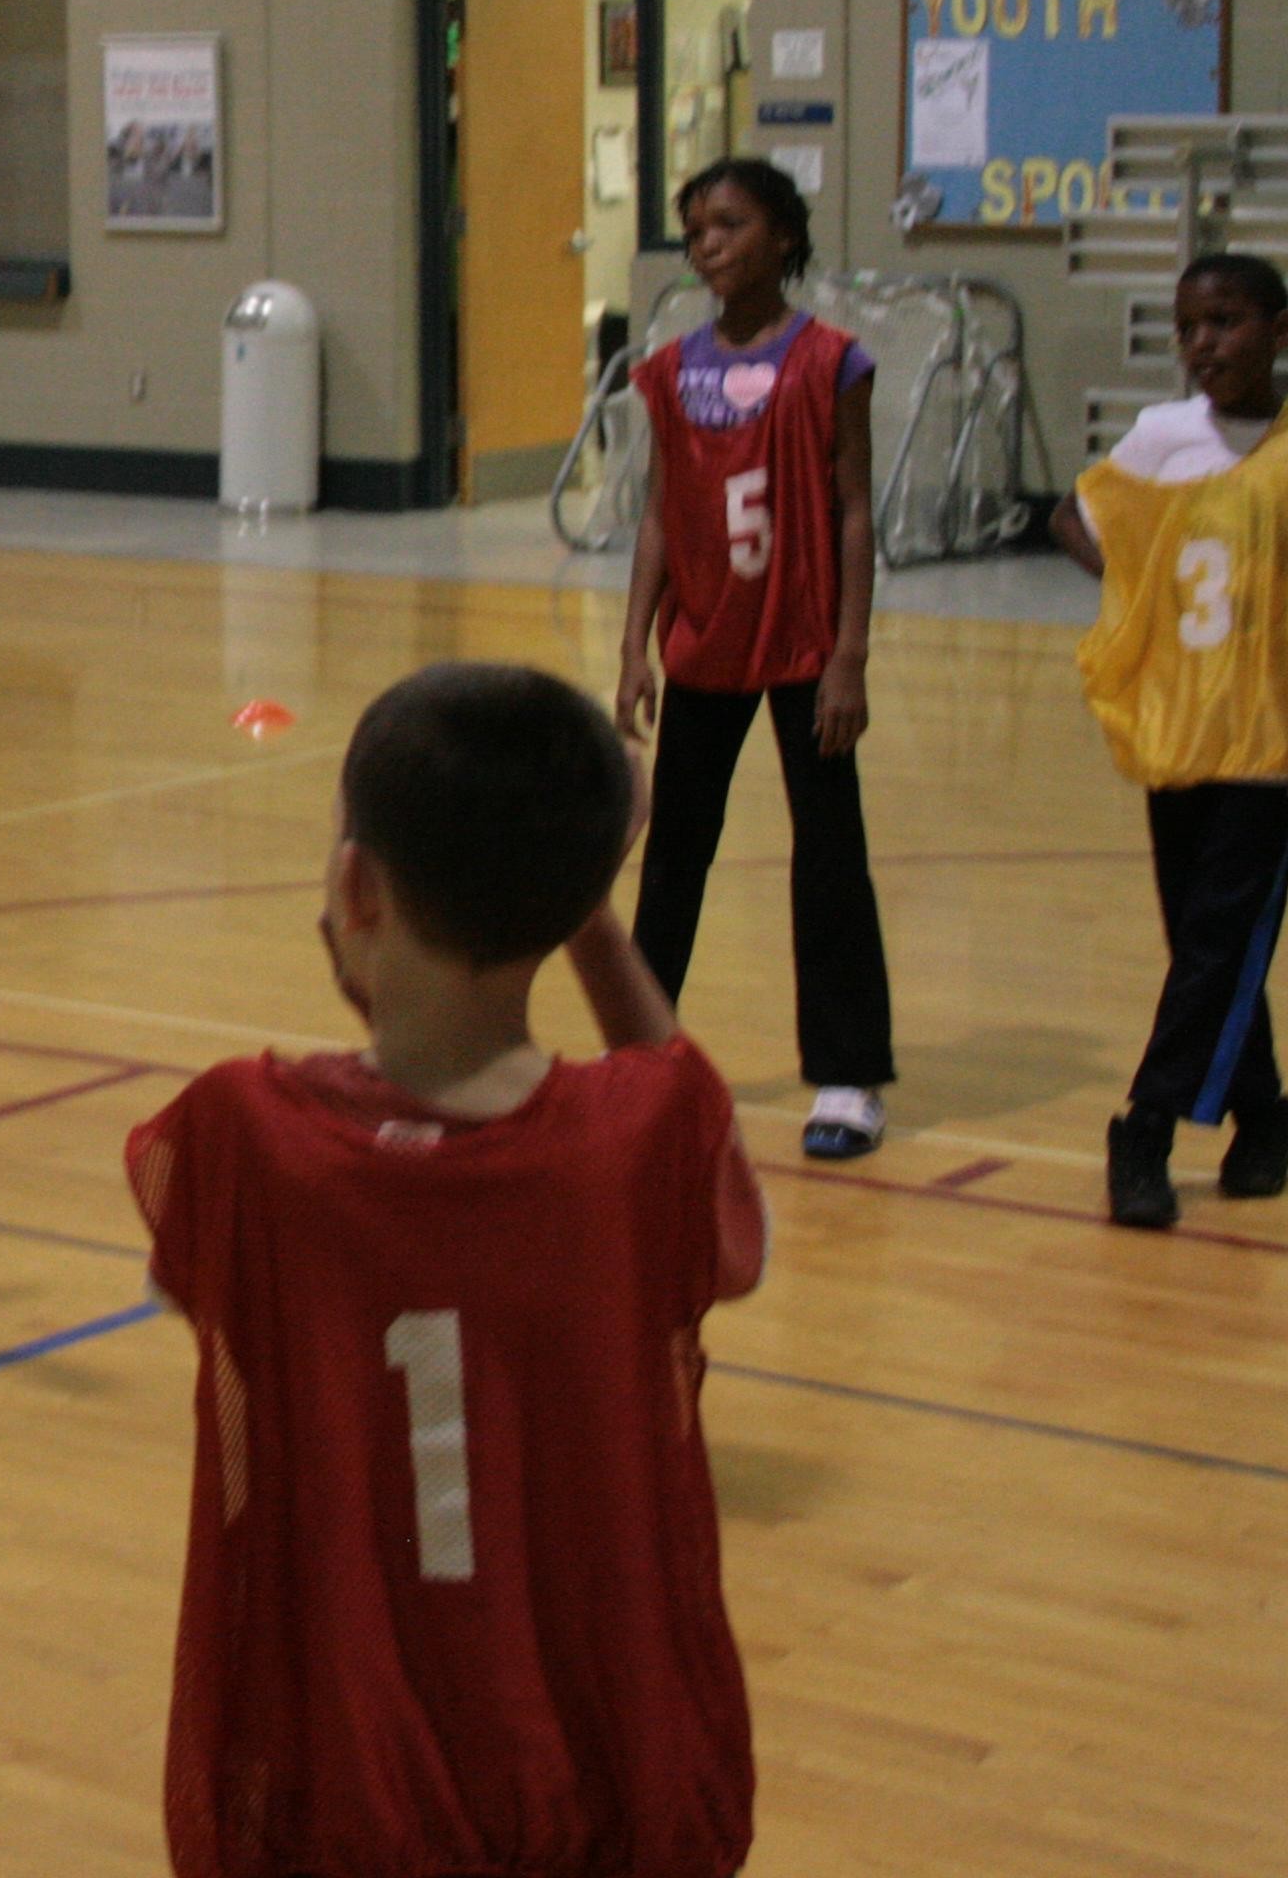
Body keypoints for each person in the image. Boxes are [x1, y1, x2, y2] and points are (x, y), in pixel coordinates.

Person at [126, 662, 764, 1878]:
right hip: (597, 1774)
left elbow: (190, 1279)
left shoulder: (246, 1136)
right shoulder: (640, 1137)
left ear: (356, 886)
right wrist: (587, 915)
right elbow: (726, 1193)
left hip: (346, 1792)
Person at [1051, 252, 1288, 1229]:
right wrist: (1128, 577)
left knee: (1213, 943)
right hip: (1175, 724)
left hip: (1270, 740)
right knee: (1206, 942)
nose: (1204, 343)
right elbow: (1072, 513)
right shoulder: (1162, 436)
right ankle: (1265, 1111)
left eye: (1227, 322)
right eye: (1190, 325)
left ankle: (1144, 1126)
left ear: (1277, 332)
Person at [616, 156, 897, 1160]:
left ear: (783, 235)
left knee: (829, 858)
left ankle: (850, 1074)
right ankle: (638, 1054)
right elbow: (657, 512)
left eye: (727, 223)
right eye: (693, 229)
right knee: (674, 856)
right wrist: (634, 650)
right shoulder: (671, 366)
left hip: (803, 645)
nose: (707, 243)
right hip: (703, 646)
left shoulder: (831, 360)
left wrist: (850, 654)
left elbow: (855, 508)